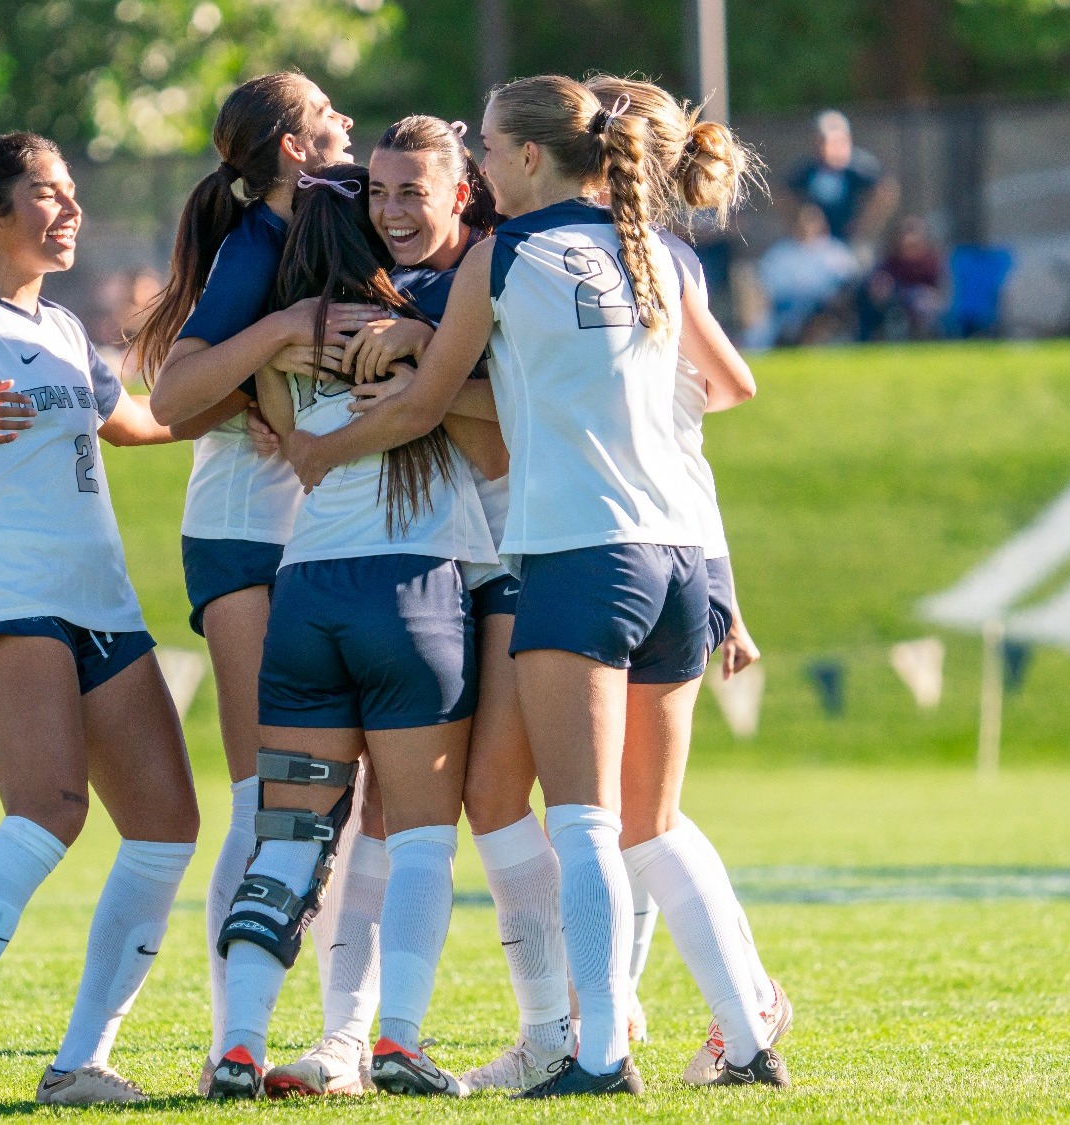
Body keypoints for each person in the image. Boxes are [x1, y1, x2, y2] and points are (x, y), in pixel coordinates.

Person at [284, 74, 776, 1097]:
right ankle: (746, 1039)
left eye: (488, 145)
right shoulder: (660, 249)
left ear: (519, 160)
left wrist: (323, 449)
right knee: (651, 824)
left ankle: (593, 1056)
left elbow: (421, 407)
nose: (478, 163)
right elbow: (727, 389)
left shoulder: (501, 256)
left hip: (577, 559)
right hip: (681, 558)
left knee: (586, 824)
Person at [0, 132, 200, 1111]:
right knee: (51, 813)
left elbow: (137, 422)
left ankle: (80, 1063)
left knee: (166, 825)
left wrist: (243, 395)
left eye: (71, 195)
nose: (68, 212)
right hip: (9, 593)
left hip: (98, 597)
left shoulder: (61, 327)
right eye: (46, 195)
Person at [204, 162, 500, 1100]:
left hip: (303, 592)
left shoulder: (279, 349)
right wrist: (424, 358)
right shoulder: (419, 331)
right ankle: (396, 1041)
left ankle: (240, 1044)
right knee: (418, 837)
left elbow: (300, 456)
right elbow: (493, 443)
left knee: (288, 835)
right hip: (412, 588)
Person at [120, 72, 378, 1089]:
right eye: (327, 117)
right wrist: (276, 335)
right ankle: (239, 1043)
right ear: (289, 151)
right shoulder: (256, 247)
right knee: (271, 799)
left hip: (327, 532)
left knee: (339, 803)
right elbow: (173, 396)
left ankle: (336, 1041)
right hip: (246, 537)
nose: (347, 124)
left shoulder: (337, 231)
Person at [584, 73, 792, 1091]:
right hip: (677, 547)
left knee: (627, 817)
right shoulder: (661, 255)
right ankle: (628, 1017)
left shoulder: (609, 257)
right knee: (623, 815)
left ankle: (736, 1007)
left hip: (632, 545)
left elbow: (719, 395)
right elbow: (710, 405)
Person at [784, 110, 893, 247]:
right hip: (816, 241)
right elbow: (782, 192)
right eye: (824, 141)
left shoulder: (860, 167)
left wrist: (864, 226)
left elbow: (886, 191)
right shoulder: (808, 169)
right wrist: (800, 219)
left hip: (850, 240)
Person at [758, 204, 859, 344]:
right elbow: (767, 290)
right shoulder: (780, 254)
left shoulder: (835, 252)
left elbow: (848, 284)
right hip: (788, 311)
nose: (807, 226)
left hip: (824, 312)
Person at [858, 216, 945, 341]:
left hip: (925, 307)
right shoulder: (889, 263)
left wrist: (933, 298)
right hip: (895, 306)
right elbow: (877, 288)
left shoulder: (933, 263)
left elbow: (943, 292)